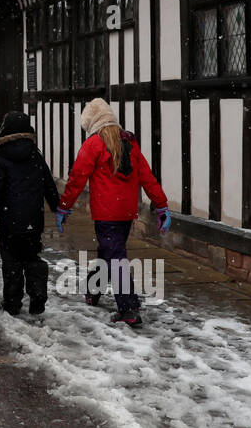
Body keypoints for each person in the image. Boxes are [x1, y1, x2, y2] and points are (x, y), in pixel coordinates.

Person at [56, 98, 170, 328]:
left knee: (115, 256)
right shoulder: (129, 142)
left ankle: (128, 308)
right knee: (109, 250)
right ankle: (93, 291)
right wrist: (161, 204)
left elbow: (77, 179)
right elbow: (147, 176)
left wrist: (64, 207)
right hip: (126, 212)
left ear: (91, 123)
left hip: (106, 212)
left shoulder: (93, 145)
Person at [0, 111, 59, 316]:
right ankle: (37, 293)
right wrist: (57, 208)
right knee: (31, 255)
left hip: (10, 220)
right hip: (34, 217)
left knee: (11, 260)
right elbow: (49, 184)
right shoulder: (35, 154)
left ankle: (13, 303)